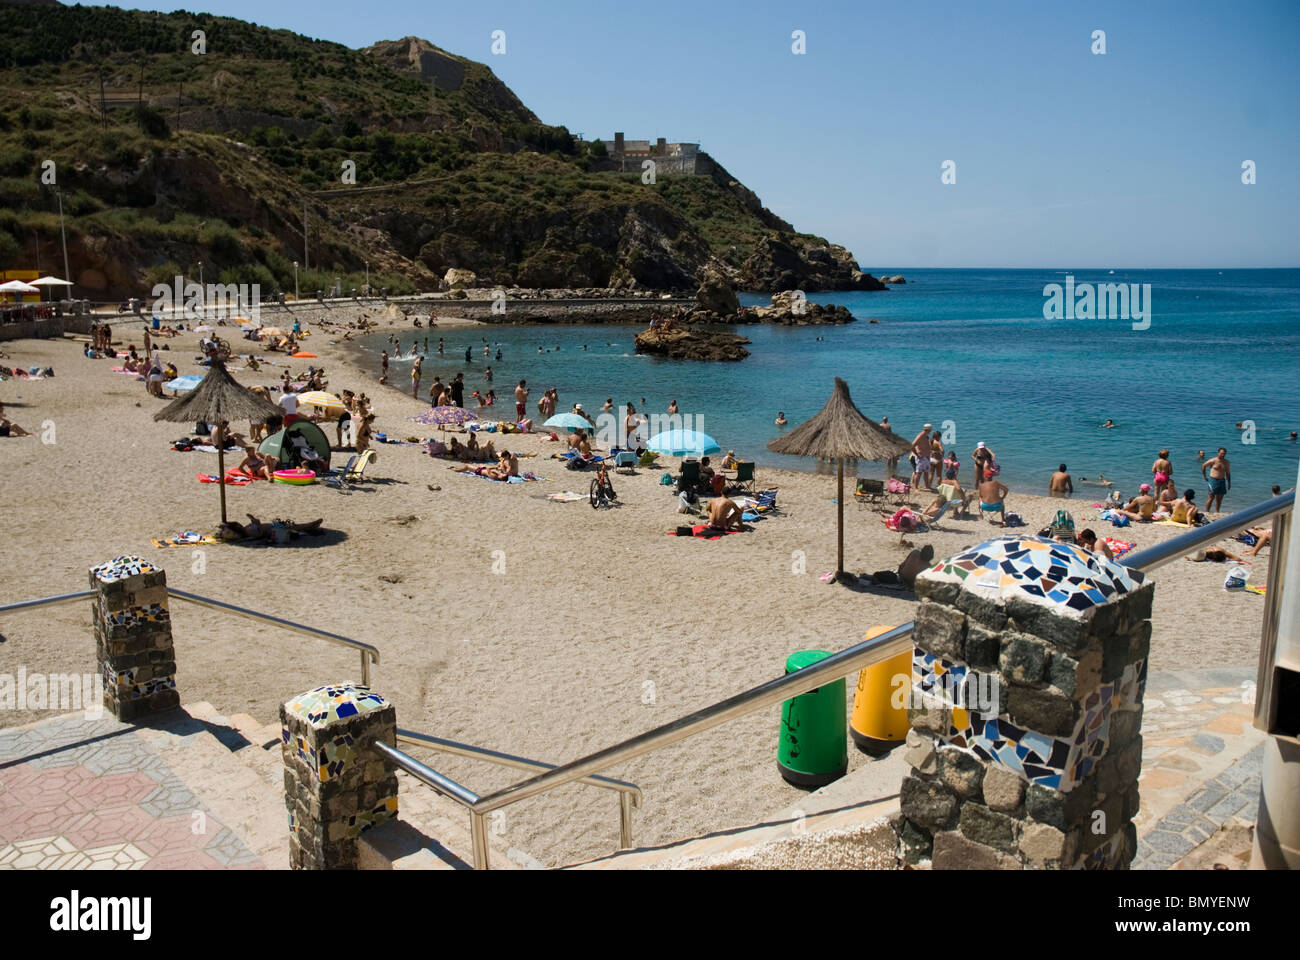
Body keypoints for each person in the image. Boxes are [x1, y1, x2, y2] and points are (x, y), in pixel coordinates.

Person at [1202, 447, 1231, 513]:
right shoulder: (1213, 460)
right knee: (1211, 497)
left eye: (1224, 454)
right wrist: (1205, 476)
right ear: (1218, 453)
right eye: (1221, 453)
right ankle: (1207, 511)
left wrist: (1229, 483)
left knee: (1219, 498)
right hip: (1213, 480)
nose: (1223, 455)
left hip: (1222, 480)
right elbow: (1203, 466)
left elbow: (1228, 473)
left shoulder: (1226, 462)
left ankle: (1217, 512)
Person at [910, 424, 934, 493]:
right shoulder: (920, 436)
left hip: (927, 457)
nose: (931, 431)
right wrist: (917, 454)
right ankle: (916, 487)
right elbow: (912, 445)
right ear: (928, 429)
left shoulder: (926, 436)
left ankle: (927, 486)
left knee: (926, 472)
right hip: (921, 457)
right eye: (930, 429)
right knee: (919, 473)